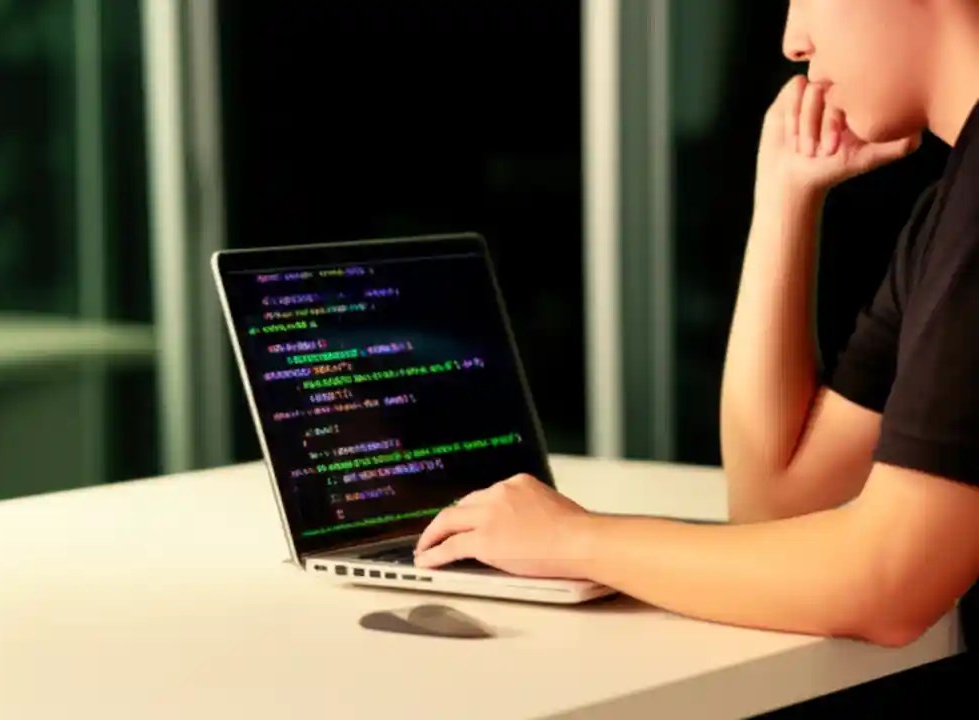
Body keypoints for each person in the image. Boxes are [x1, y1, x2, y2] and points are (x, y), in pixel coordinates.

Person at [412, 0, 979, 694]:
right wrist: (784, 195)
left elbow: (889, 583)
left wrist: (573, 541)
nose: (793, 40)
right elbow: (777, 505)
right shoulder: (948, 214)